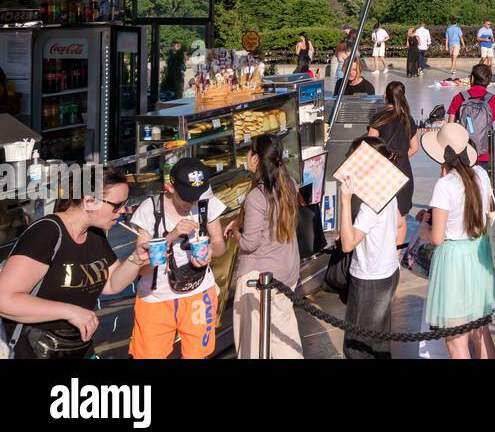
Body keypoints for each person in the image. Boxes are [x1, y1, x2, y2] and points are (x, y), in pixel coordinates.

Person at [0, 168, 148, 359]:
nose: (123, 212)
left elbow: (111, 284)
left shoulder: (95, 233)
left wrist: (137, 258)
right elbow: (4, 300)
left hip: (79, 348)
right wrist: (70, 311)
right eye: (117, 205)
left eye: (125, 204)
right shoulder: (47, 232)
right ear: (89, 201)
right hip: (35, 349)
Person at [128, 158, 228, 359]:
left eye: (196, 197)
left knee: (197, 355)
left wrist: (210, 250)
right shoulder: (150, 210)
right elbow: (139, 266)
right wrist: (171, 236)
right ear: (170, 187)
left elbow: (219, 244)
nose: (192, 203)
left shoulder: (206, 203)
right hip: (156, 299)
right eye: (187, 198)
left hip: (199, 293)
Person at [421, 121, 495, 359]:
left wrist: (424, 226)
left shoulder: (444, 185)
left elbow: (437, 237)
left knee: (456, 340)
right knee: (481, 331)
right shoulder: (481, 174)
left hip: (453, 262)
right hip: (479, 254)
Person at [228, 135, 303, 358]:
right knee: (283, 332)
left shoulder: (256, 196)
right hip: (288, 270)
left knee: (252, 340)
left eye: (249, 152)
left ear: (256, 159)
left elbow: (251, 243)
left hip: (260, 276)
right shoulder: (290, 184)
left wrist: (235, 233)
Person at [338, 137, 402, 359]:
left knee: (358, 347)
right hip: (388, 271)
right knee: (379, 341)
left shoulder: (370, 206)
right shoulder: (388, 190)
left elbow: (347, 244)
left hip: (370, 279)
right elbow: (399, 222)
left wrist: (345, 201)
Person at [368, 80, 418, 216]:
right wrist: (400, 154)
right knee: (401, 217)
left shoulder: (379, 118)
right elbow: (414, 147)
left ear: (386, 96)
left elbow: (370, 146)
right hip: (403, 169)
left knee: (383, 215)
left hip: (384, 170)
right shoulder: (408, 119)